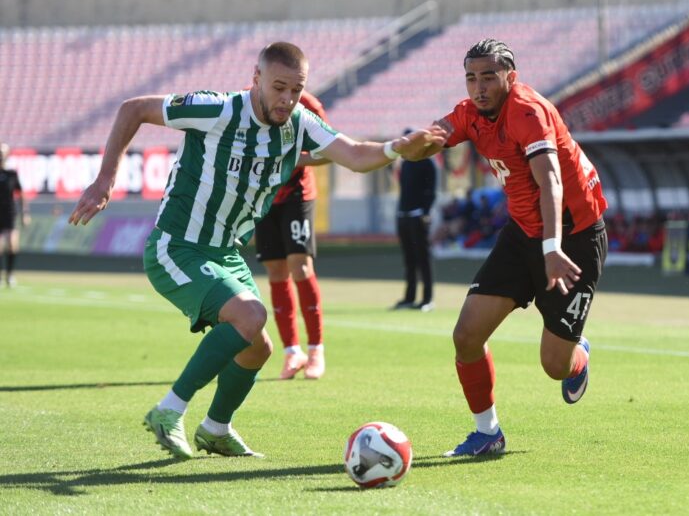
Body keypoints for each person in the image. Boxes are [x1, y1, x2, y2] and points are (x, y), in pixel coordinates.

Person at [68, 41, 444, 460]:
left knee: (258, 347)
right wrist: (105, 180)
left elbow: (353, 154)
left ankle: (215, 428)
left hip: (227, 252)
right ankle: (168, 411)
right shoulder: (218, 110)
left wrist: (397, 148)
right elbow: (133, 108)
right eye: (279, 87)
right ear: (256, 79)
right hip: (178, 246)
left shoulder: (299, 122)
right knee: (251, 316)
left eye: (296, 90)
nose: (287, 99)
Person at [422, 39, 608, 457]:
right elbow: (433, 136)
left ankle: (579, 352)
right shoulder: (470, 113)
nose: (479, 87)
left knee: (554, 365)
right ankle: (488, 433)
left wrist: (552, 247)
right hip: (523, 233)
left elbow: (552, 183)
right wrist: (391, 150)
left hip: (573, 239)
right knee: (467, 335)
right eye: (472, 78)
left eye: (489, 76)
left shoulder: (528, 112)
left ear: (511, 76)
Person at [255, 91, 328, 380]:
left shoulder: (309, 105)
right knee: (275, 269)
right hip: (265, 197)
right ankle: (291, 352)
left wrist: (290, 160)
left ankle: (315, 350)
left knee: (300, 265)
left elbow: (329, 151)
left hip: (298, 195)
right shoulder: (247, 102)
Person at [392, 128, 437, 312]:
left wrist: (425, 212)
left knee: (423, 259)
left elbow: (431, 191)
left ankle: (427, 299)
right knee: (409, 259)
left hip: (418, 215)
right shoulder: (405, 163)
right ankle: (409, 298)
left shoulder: (427, 162)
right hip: (403, 214)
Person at [0, 143, 29, 287]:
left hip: (9, 212)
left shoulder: (12, 174)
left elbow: (21, 193)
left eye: (3, 152)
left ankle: (10, 275)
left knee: (12, 245)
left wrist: (25, 213)